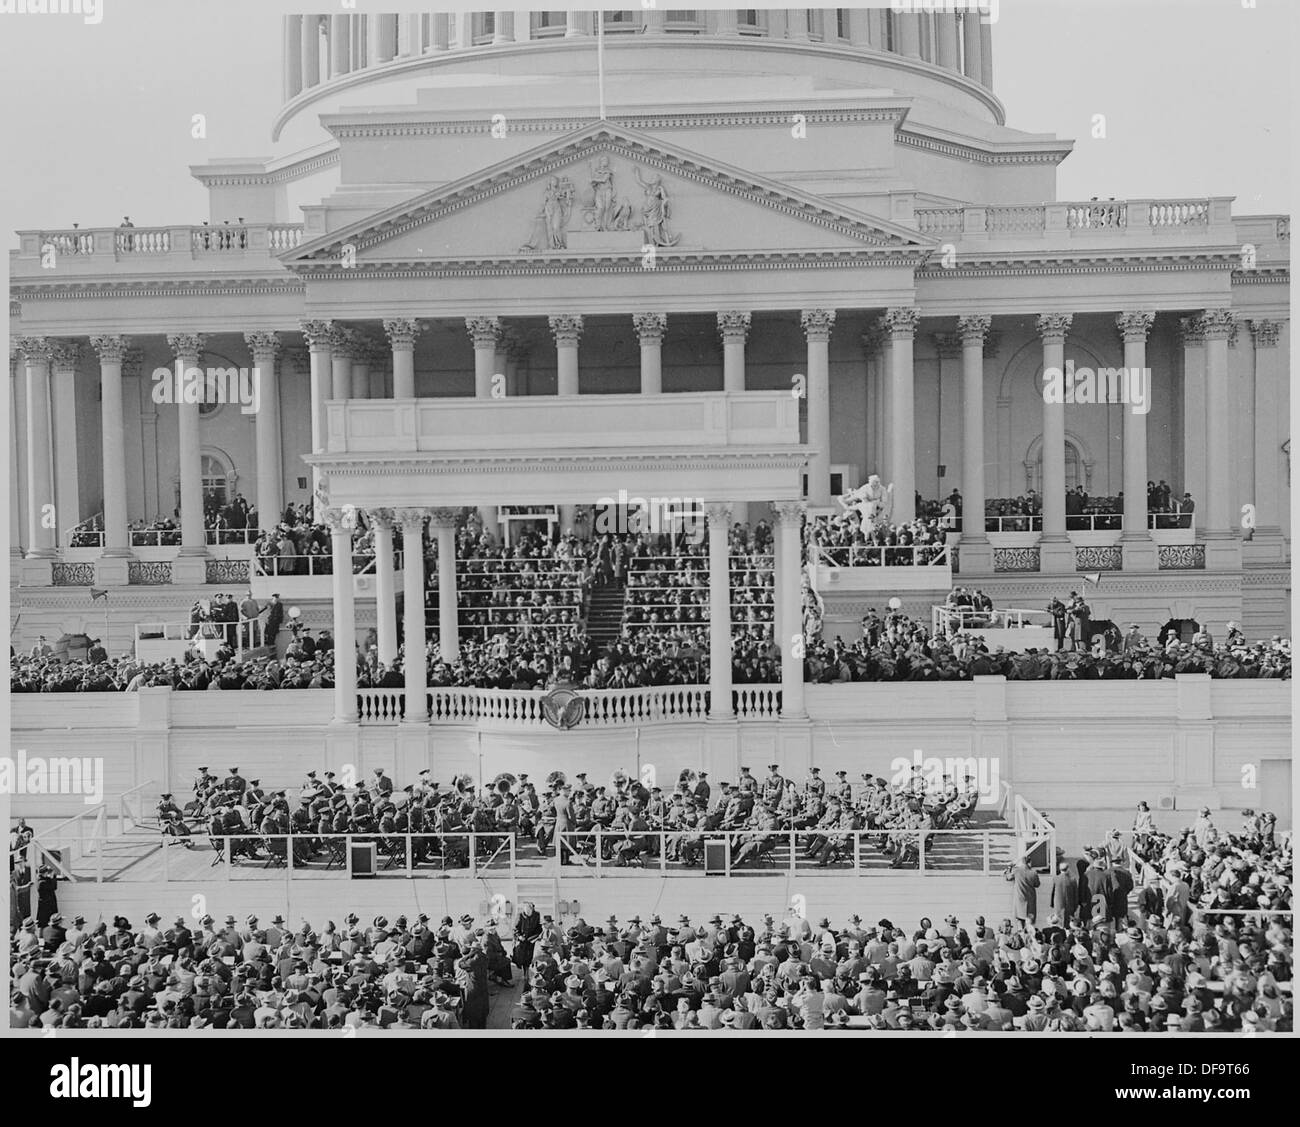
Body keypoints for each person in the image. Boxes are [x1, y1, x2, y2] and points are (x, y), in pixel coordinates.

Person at [1005, 855, 1040, 926]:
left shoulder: (1016, 871)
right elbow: (1037, 884)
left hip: (1019, 901)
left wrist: (1009, 867)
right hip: (1030, 902)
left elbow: (1008, 877)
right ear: (1029, 862)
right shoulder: (1033, 873)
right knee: (1030, 925)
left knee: (1020, 923)